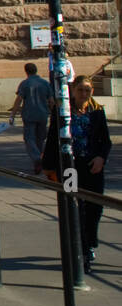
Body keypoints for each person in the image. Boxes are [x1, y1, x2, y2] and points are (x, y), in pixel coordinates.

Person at [40, 76, 111, 273]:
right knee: (74, 207)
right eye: (80, 89)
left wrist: (100, 158)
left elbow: (105, 141)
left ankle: (90, 240)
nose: (84, 93)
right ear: (72, 91)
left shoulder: (97, 112)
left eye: (87, 90)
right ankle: (82, 250)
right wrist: (48, 166)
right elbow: (54, 138)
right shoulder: (63, 111)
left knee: (95, 207)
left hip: (92, 167)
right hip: (70, 167)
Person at [10, 62, 52, 173]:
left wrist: (12, 115)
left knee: (29, 139)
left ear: (26, 71)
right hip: (43, 115)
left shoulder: (25, 84)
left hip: (29, 115)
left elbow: (19, 100)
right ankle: (39, 161)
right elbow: (51, 100)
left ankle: (37, 158)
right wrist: (53, 113)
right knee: (40, 138)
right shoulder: (45, 83)